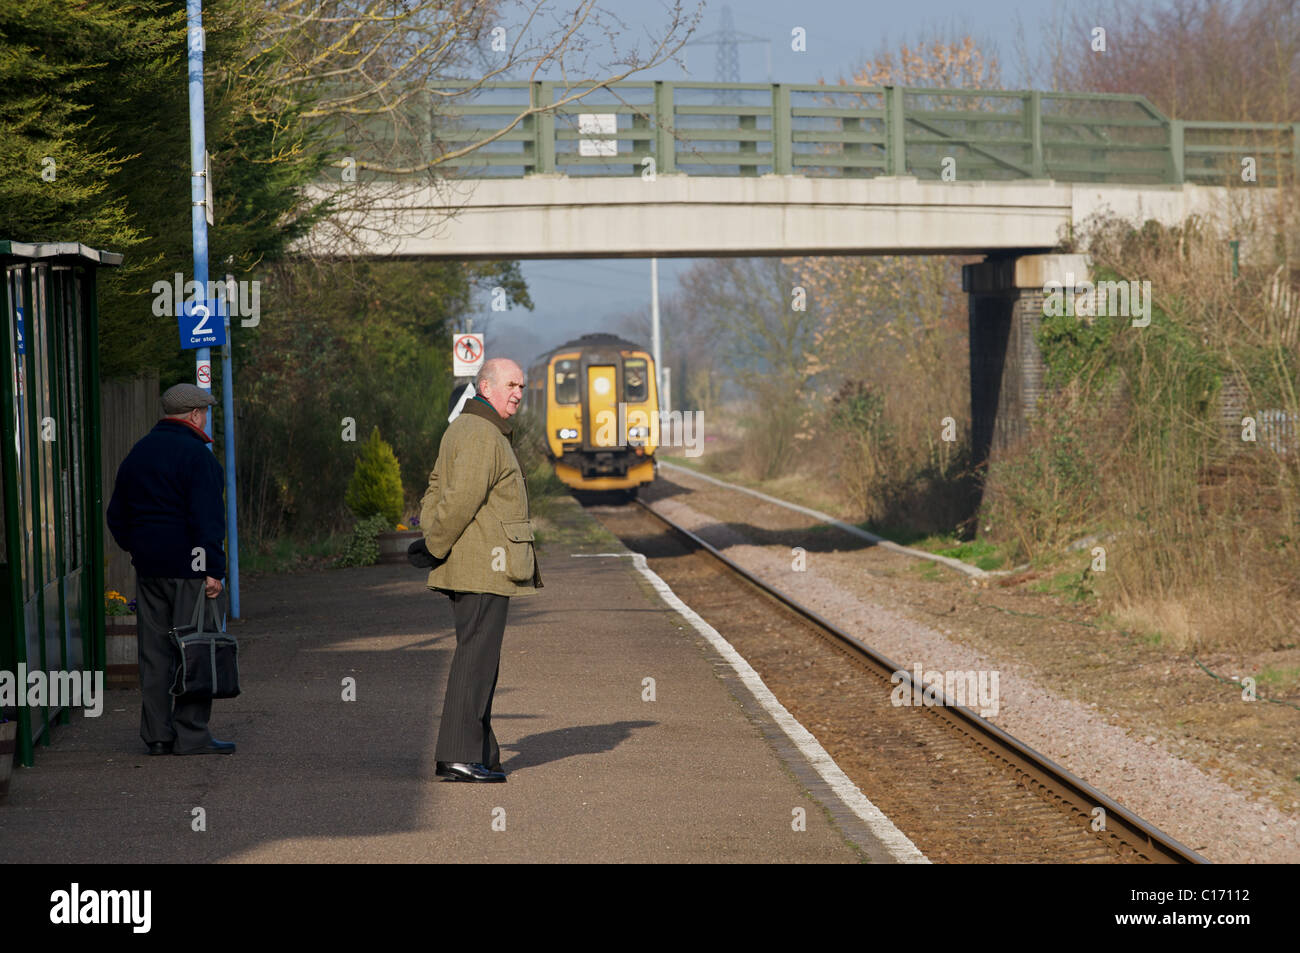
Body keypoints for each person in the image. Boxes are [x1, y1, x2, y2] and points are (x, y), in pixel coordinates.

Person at [420, 358, 542, 782]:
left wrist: (431, 537)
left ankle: (479, 751)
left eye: (522, 387)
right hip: (481, 567)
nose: (518, 394)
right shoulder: (481, 434)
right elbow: (457, 500)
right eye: (511, 385)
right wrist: (434, 544)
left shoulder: (467, 428)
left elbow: (435, 490)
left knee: (479, 658)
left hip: (478, 565)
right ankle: (457, 755)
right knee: (476, 659)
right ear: (485, 387)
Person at [107, 383, 234, 756]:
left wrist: (140, 549)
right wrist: (214, 569)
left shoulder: (138, 453)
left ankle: (157, 735)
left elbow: (117, 516)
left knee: (154, 653)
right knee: (194, 648)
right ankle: (192, 734)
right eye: (205, 412)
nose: (205, 418)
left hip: (149, 570)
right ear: (195, 415)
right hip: (191, 570)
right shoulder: (198, 457)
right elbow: (208, 519)